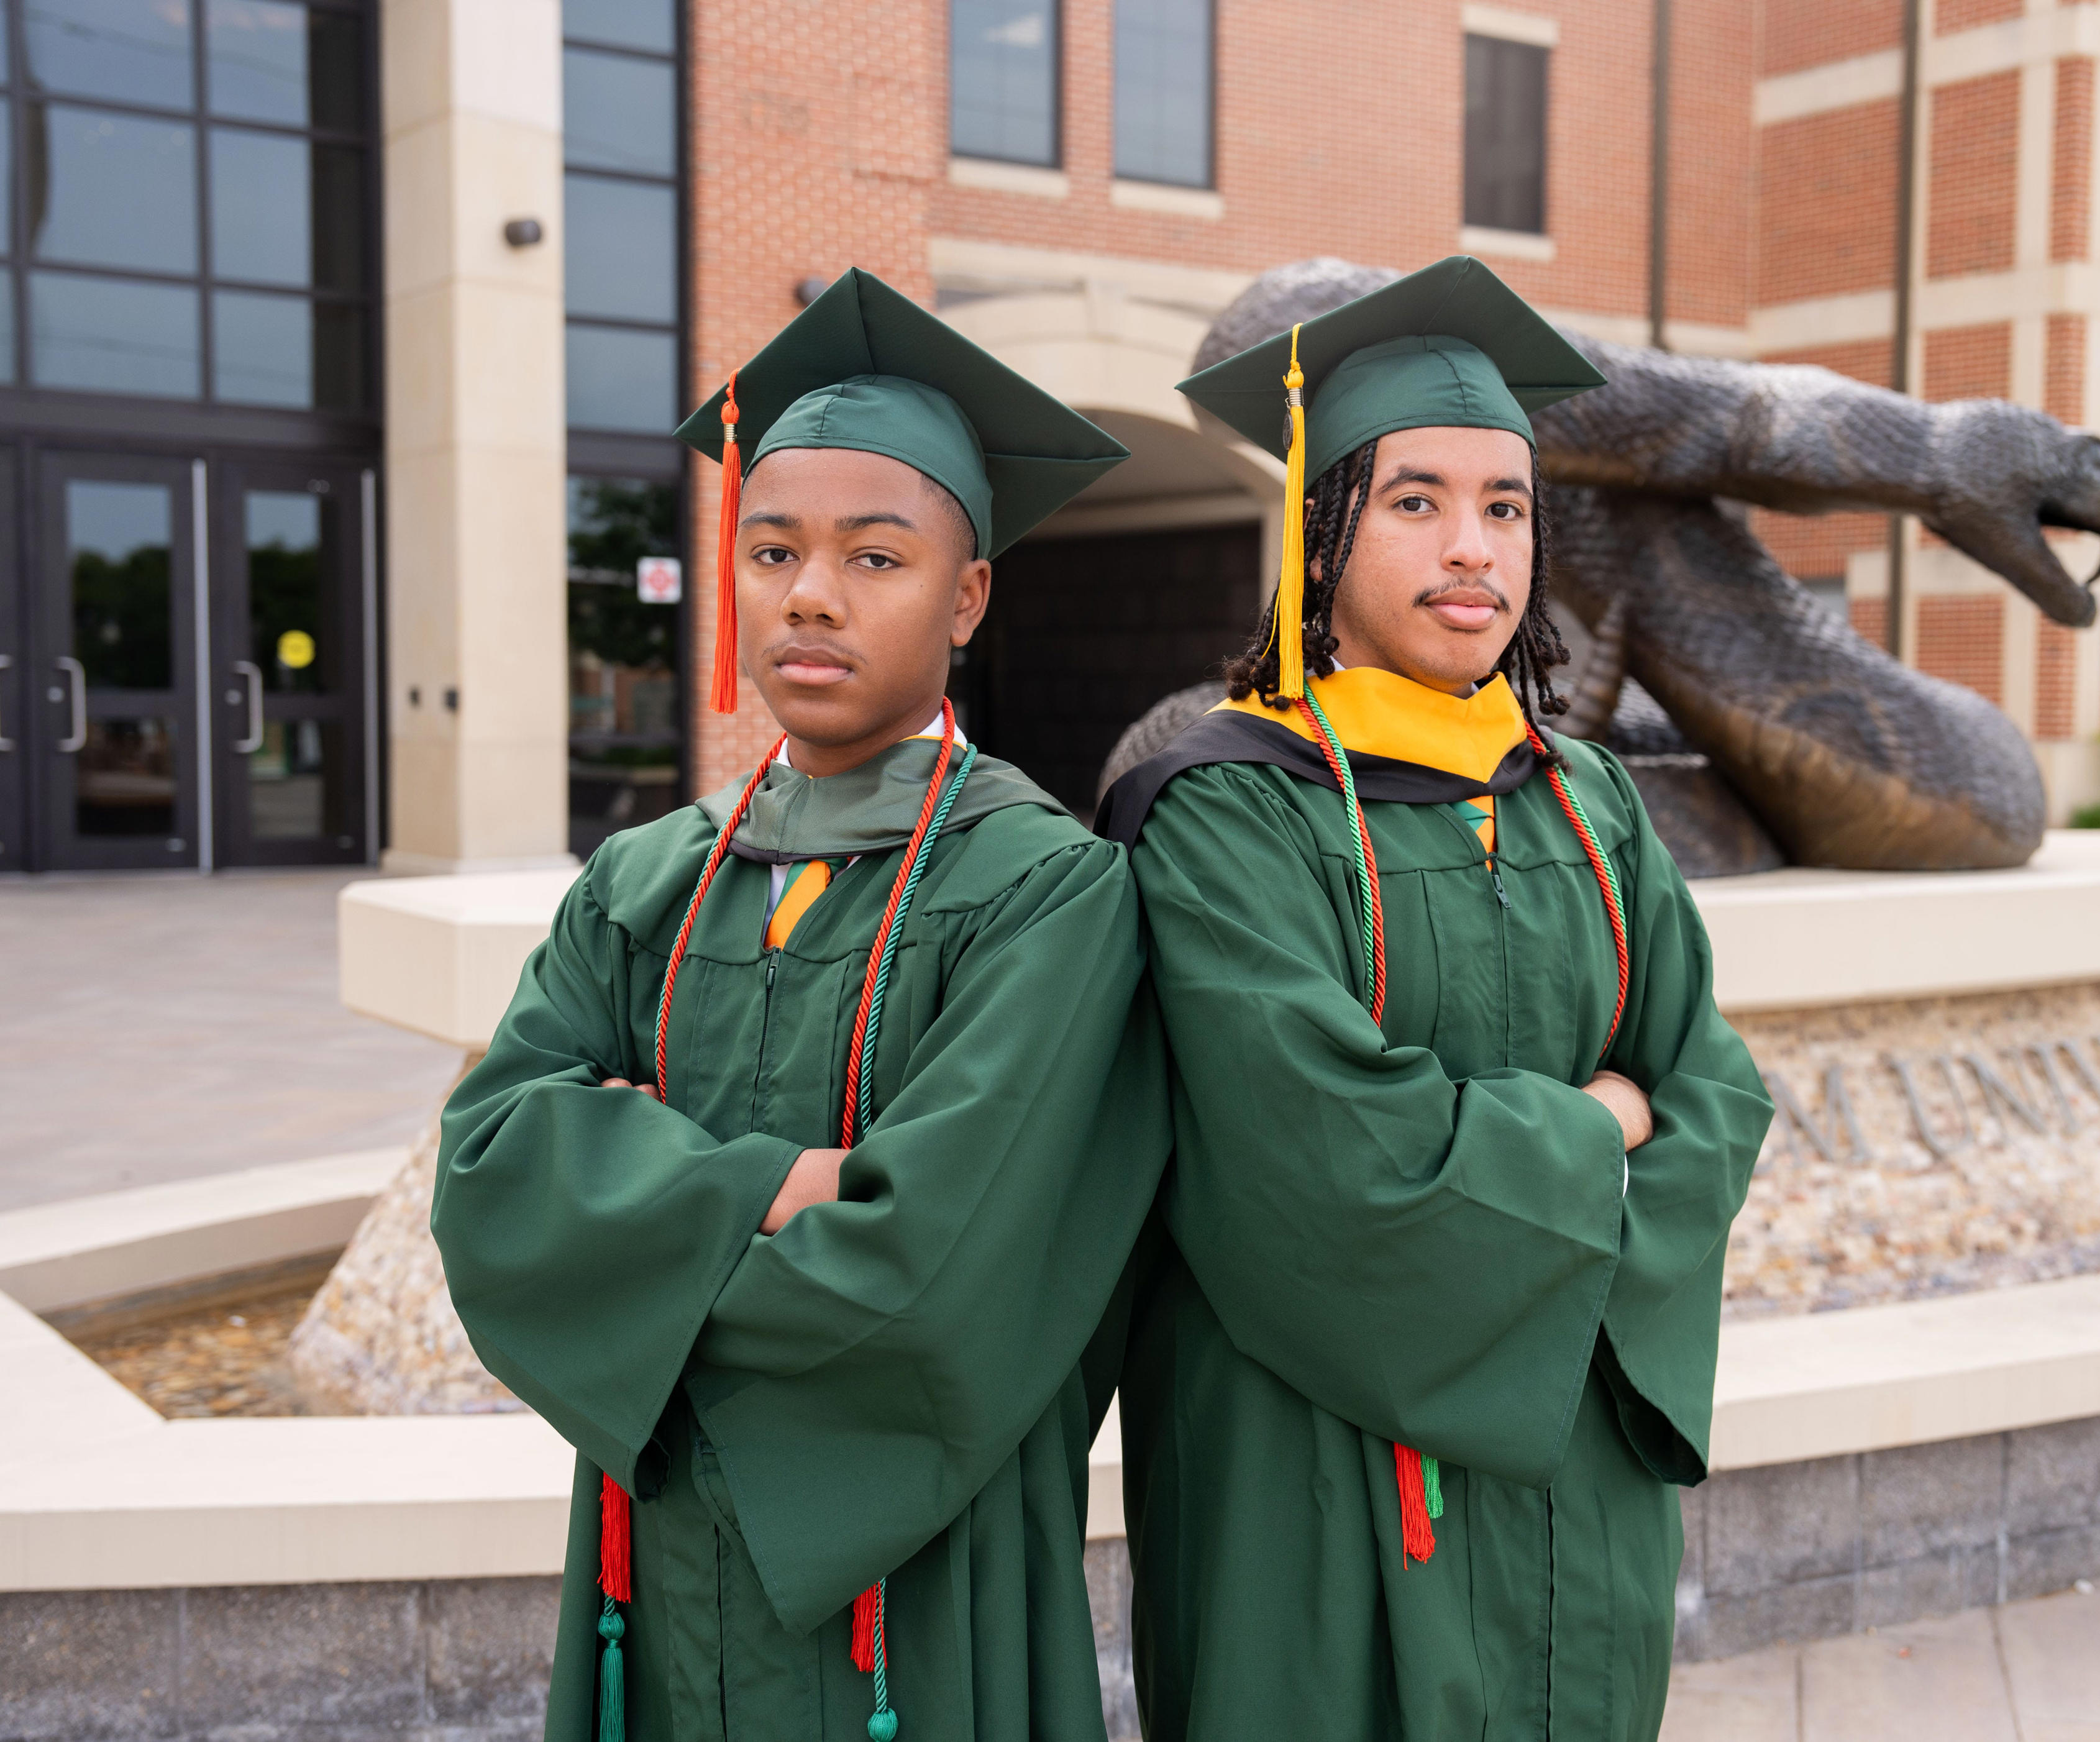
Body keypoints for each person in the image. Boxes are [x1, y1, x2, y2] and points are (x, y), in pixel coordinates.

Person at [432, 268, 1168, 1742]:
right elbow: (488, 1172)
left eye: (875, 558)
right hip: (662, 1562)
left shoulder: (1048, 892)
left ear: (967, 597)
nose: (812, 593)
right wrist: (784, 1188)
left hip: (919, 1568)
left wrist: (637, 1242)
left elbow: (950, 1265)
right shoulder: (647, 881)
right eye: (772, 550)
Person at [1096, 255, 1774, 1741]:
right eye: (1417, 502)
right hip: (1318, 1470)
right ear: (1322, 529)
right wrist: (1599, 1124)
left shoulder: (1588, 799)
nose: (1472, 546)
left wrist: (1572, 1136)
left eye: (1505, 506)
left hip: (1571, 1474)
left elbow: (1715, 1094)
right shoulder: (1222, 810)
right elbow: (1326, 1159)